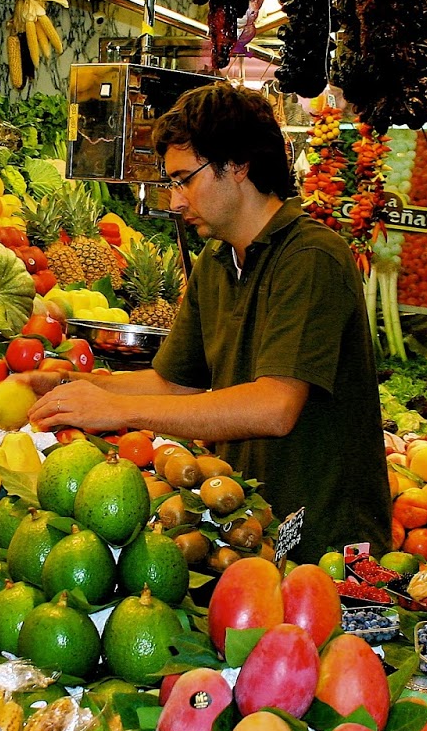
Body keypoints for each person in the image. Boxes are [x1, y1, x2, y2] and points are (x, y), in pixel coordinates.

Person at [22, 83, 392, 560]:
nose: (175, 202)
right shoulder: (217, 260)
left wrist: (119, 409)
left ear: (237, 165)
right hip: (247, 523)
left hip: (324, 540)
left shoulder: (311, 256)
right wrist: (76, 386)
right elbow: (175, 384)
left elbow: (274, 407)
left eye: (184, 179)